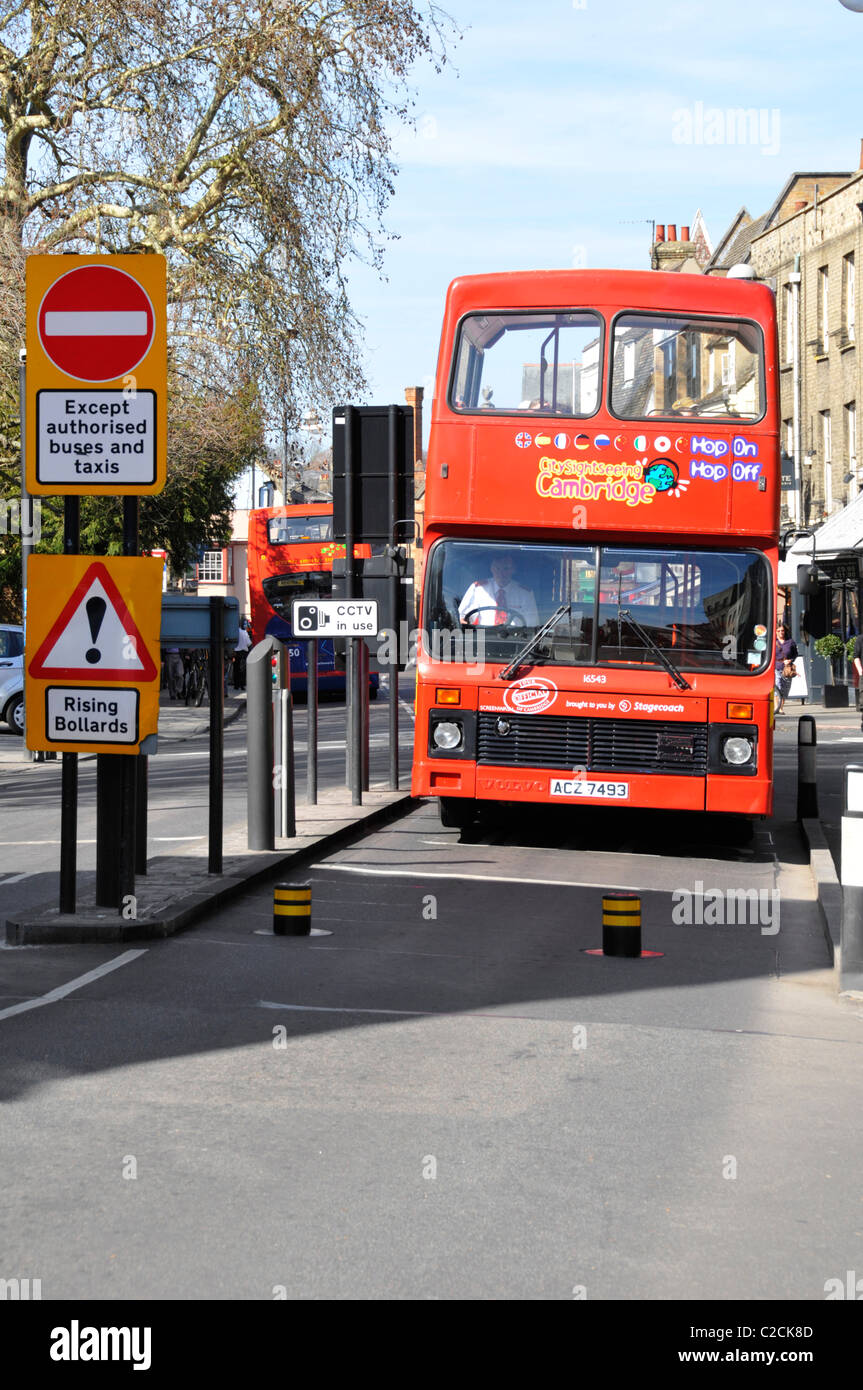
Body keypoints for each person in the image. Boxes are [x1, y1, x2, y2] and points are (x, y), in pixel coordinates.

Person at [458, 553, 539, 628]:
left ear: (513, 570)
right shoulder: (478, 589)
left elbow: (532, 626)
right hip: (483, 638)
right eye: (497, 568)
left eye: (506, 569)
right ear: (491, 569)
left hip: (515, 639)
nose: (501, 573)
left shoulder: (525, 593)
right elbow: (463, 619)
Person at [774, 622, 798, 715]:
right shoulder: (773, 641)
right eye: (778, 631)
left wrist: (790, 660)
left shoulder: (790, 642)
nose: (781, 632)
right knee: (777, 686)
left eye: (782, 630)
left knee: (785, 689)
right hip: (776, 667)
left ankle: (781, 706)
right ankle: (777, 707)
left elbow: (795, 654)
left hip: (787, 669)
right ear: (775, 632)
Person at [233, 618, 252, 690]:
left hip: (236, 653)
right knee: (243, 670)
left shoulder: (234, 632)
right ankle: (242, 685)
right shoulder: (244, 633)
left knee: (236, 669)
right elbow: (249, 643)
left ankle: (236, 685)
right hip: (244, 653)